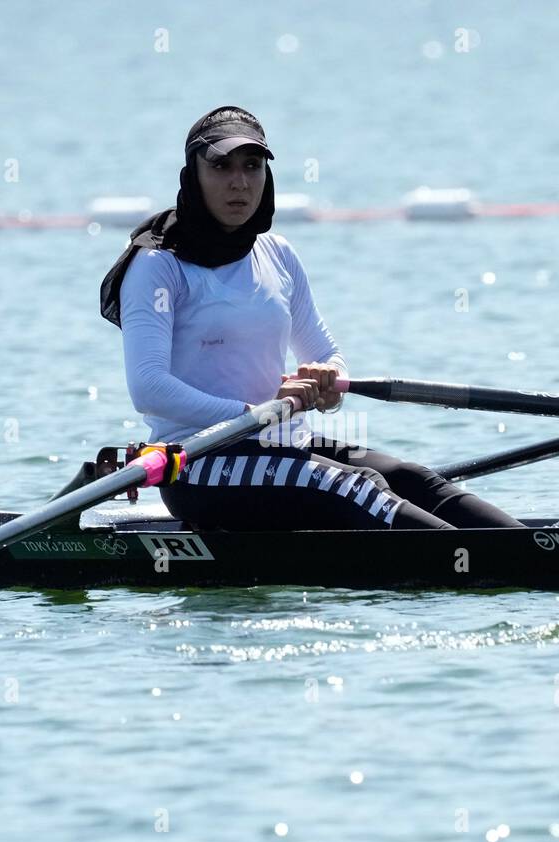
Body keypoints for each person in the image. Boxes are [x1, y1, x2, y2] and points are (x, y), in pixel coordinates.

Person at [97, 105, 524, 532]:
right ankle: (491, 562)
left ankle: (527, 547)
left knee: (412, 478)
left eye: (252, 165)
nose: (240, 182)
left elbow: (327, 354)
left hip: (281, 443)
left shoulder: (277, 254)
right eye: (221, 166)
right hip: (199, 463)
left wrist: (327, 380)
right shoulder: (157, 265)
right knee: (362, 486)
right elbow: (149, 388)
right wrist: (254, 413)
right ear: (192, 176)